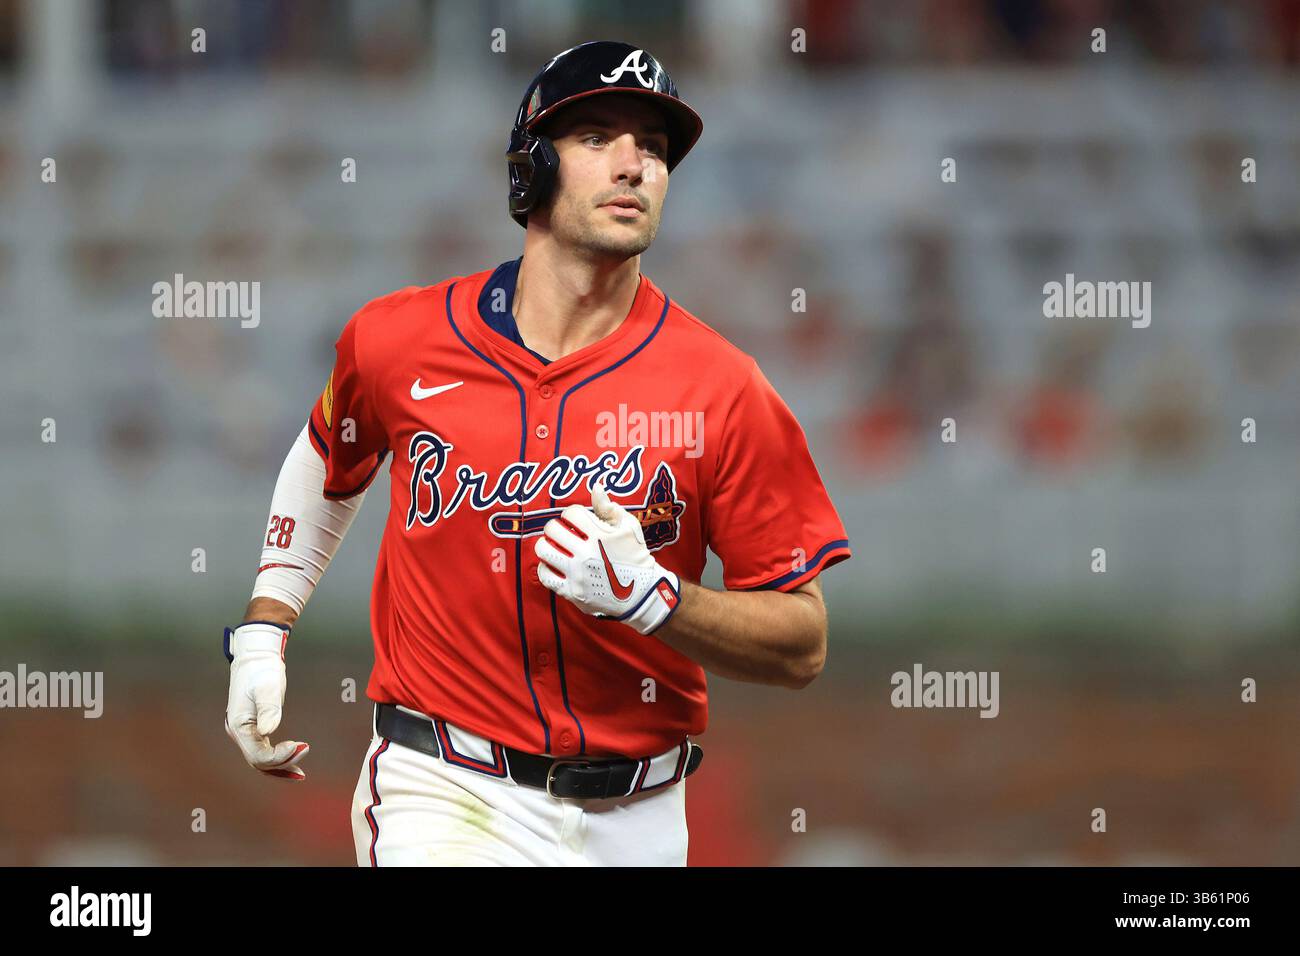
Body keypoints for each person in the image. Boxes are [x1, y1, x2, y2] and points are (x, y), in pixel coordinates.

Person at [222, 40, 851, 866]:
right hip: (444, 790)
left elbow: (802, 643)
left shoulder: (722, 387)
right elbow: (327, 459)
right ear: (530, 172)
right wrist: (265, 631)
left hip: (643, 815)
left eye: (654, 149)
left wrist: (660, 599)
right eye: (597, 138)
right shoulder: (400, 341)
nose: (633, 165)